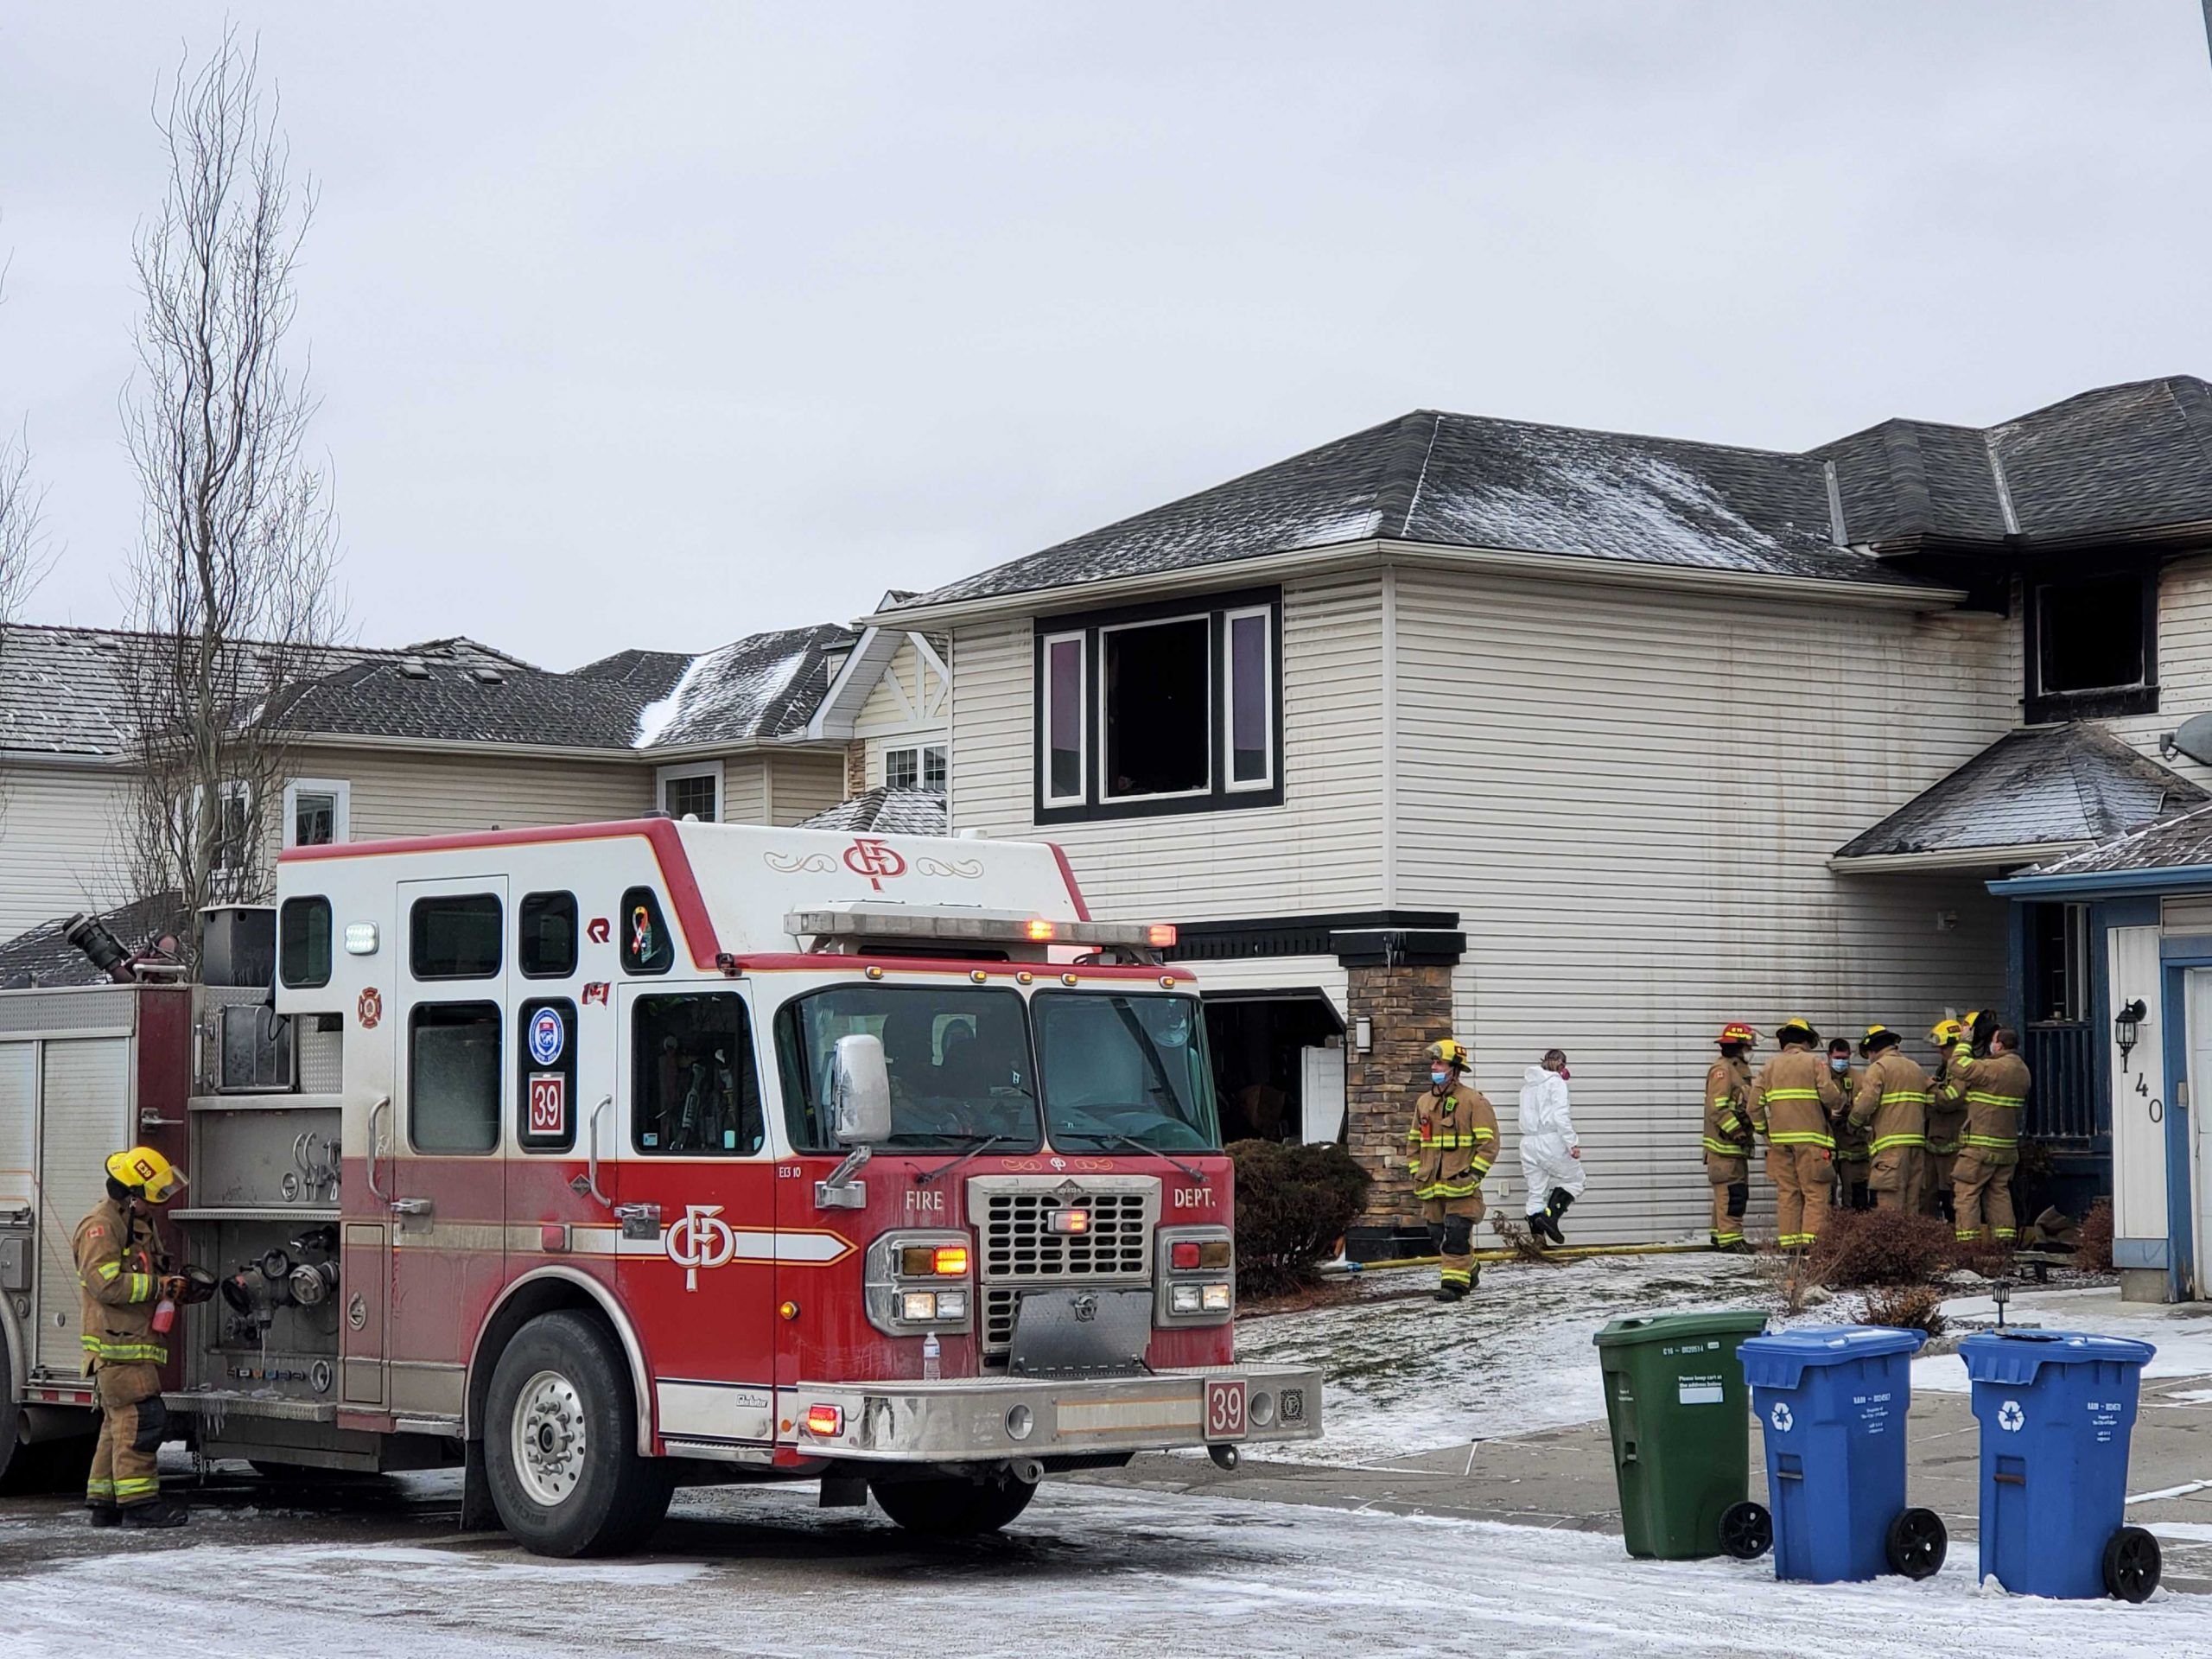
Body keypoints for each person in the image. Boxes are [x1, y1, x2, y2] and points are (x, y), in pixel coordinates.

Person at [74, 1146, 188, 1528]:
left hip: (130, 1342)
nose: (156, 1206)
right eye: (151, 1198)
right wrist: (158, 1287)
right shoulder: (102, 1226)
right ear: (131, 1195)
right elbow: (105, 1285)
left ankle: (104, 1503)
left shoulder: (132, 1221)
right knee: (142, 1418)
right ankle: (140, 1505)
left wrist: (173, 1286)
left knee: (117, 1424)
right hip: (117, 1346)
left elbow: (145, 1268)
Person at [1404, 1039, 1498, 1301]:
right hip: (1431, 1187)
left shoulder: (1474, 1102)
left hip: (1462, 1186)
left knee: (1456, 1233)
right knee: (1438, 1236)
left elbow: (1488, 1144)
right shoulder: (1424, 1102)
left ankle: (1454, 1286)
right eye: (1433, 1062)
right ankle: (1470, 1268)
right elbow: (1414, 1142)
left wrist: (1475, 1175)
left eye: (1439, 1062)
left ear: (1454, 1068)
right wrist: (1416, 1171)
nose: (1434, 1067)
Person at [1751, 1019, 1845, 1252]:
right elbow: (1831, 1097)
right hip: (1812, 1141)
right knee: (1815, 1192)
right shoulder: (1814, 1062)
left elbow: (1753, 1106)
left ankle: (1790, 1245)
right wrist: (1839, 1102)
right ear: (1806, 1040)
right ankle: (1812, 1245)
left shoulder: (1769, 1066)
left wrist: (1765, 1132)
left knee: (1788, 1193)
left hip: (1780, 1143)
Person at [1949, 1025, 2031, 1246]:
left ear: (1999, 1045)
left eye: (1992, 1041)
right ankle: (2004, 1246)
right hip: (2006, 1148)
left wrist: (1965, 1041)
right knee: (1999, 1194)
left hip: (1980, 1146)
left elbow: (1958, 1066)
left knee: (1966, 1193)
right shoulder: (2022, 1071)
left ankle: (1969, 1248)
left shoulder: (1993, 1069)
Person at [1850, 1025, 1932, 1212]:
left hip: (1891, 1150)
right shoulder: (1916, 1068)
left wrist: (1852, 1123)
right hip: (1917, 1148)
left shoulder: (1879, 1068)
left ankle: (1890, 1243)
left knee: (1889, 1208)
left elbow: (1866, 1104)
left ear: (1872, 1050)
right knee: (1911, 1207)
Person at [1701, 1022, 1758, 1252]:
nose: (1749, 1052)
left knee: (1726, 1191)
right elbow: (1718, 1108)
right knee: (1732, 1192)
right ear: (1739, 1047)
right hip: (1725, 1145)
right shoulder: (1723, 1071)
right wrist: (1737, 1132)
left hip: (1732, 1146)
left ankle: (1719, 1235)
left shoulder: (1737, 1070)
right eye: (1747, 1047)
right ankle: (1731, 1239)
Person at [1518, 1049, 1583, 1246]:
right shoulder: (1556, 1083)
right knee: (1576, 1180)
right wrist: (1572, 1143)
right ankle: (1550, 1218)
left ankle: (1538, 1241)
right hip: (1550, 1140)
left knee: (1536, 1191)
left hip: (1528, 1143)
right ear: (1561, 1064)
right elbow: (1560, 1116)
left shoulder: (1527, 1087)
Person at [1923, 1019, 1968, 1221]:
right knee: (1933, 1192)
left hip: (1952, 1141)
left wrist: (1930, 1087)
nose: (1939, 1052)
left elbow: (1949, 1100)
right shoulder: (1945, 1068)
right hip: (1938, 1139)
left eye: (1943, 1048)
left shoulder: (1963, 1069)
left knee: (1951, 1194)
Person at [1827, 1038, 1871, 1211]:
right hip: (1827, 1143)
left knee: (1855, 1194)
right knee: (1825, 1195)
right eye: (1837, 1058)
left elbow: (1868, 1107)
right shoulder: (1820, 1077)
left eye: (1845, 1058)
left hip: (1853, 1145)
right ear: (1829, 1056)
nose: (1841, 1062)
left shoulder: (1859, 1079)